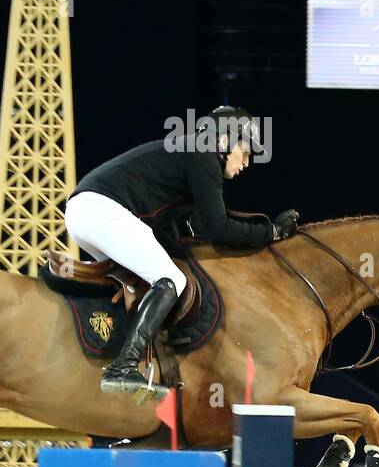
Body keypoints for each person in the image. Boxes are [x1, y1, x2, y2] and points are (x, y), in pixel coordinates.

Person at [64, 106, 298, 397]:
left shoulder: (189, 153)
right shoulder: (202, 156)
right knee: (171, 279)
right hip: (101, 210)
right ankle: (122, 368)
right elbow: (219, 229)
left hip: (86, 212)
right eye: (246, 151)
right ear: (224, 141)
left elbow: (176, 234)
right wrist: (271, 232)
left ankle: (111, 351)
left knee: (147, 281)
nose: (247, 162)